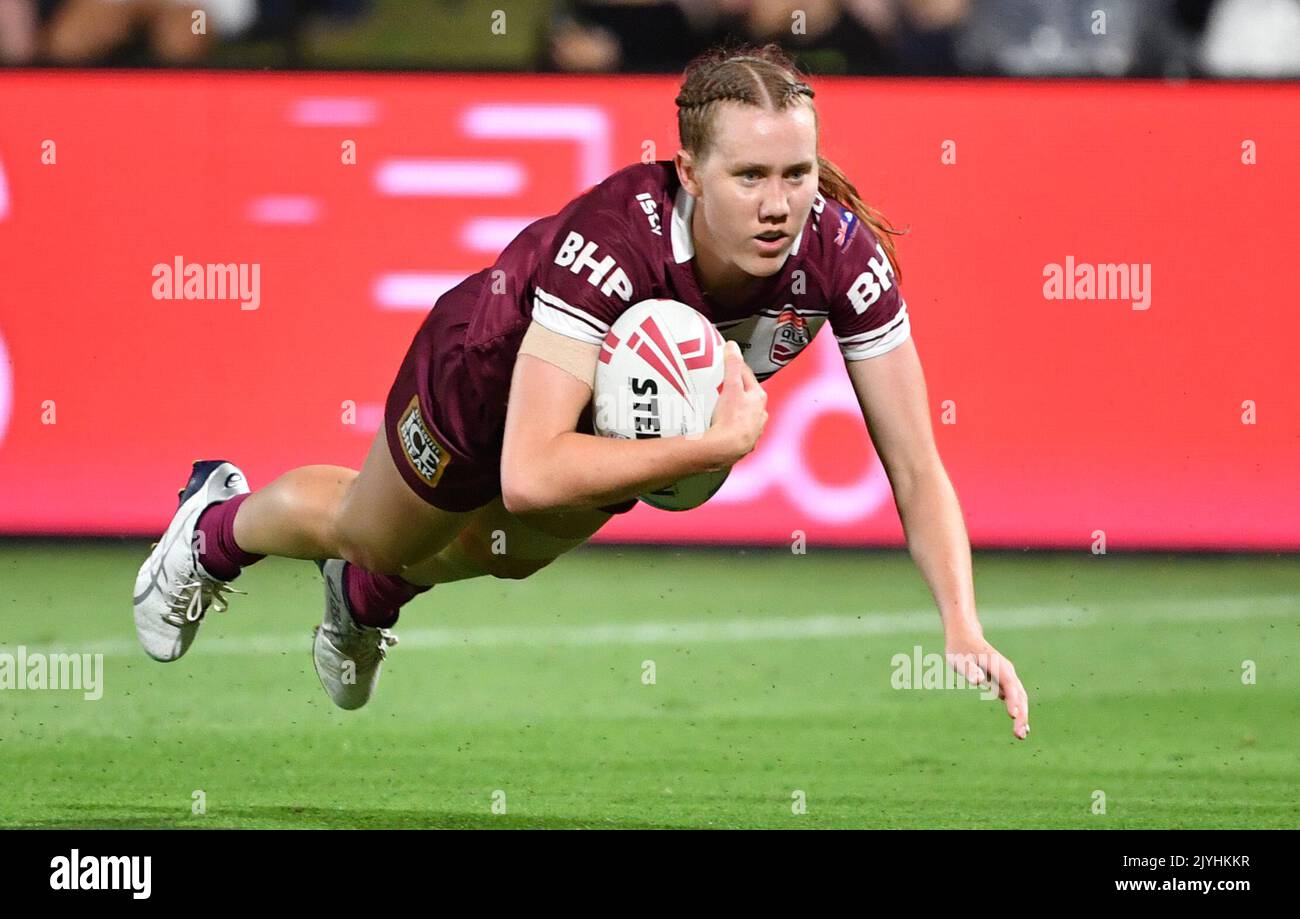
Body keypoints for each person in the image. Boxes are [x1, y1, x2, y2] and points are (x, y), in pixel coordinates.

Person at [132, 42, 1030, 739]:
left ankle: (366, 595)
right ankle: (217, 524)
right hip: (486, 371)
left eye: (795, 175)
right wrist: (716, 445)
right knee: (373, 528)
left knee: (510, 552)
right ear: (690, 174)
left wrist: (961, 620)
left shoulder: (840, 258)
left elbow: (916, 469)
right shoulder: (616, 241)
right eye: (748, 176)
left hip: (608, 416)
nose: (778, 203)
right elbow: (528, 468)